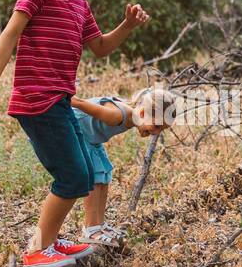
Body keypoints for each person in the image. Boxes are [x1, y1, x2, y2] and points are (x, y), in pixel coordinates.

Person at [0, 0, 150, 267]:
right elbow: (9, 36)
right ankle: (37, 250)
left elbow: (99, 47)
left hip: (61, 100)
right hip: (37, 100)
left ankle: (51, 243)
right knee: (71, 176)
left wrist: (127, 27)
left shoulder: (79, 3)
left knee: (84, 175)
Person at [71, 87, 177, 245]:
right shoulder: (117, 115)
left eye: (161, 130)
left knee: (103, 174)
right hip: (74, 131)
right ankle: (91, 229)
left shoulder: (130, 117)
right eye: (156, 126)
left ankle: (99, 225)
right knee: (93, 176)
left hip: (91, 139)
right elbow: (77, 102)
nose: (156, 133)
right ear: (142, 114)